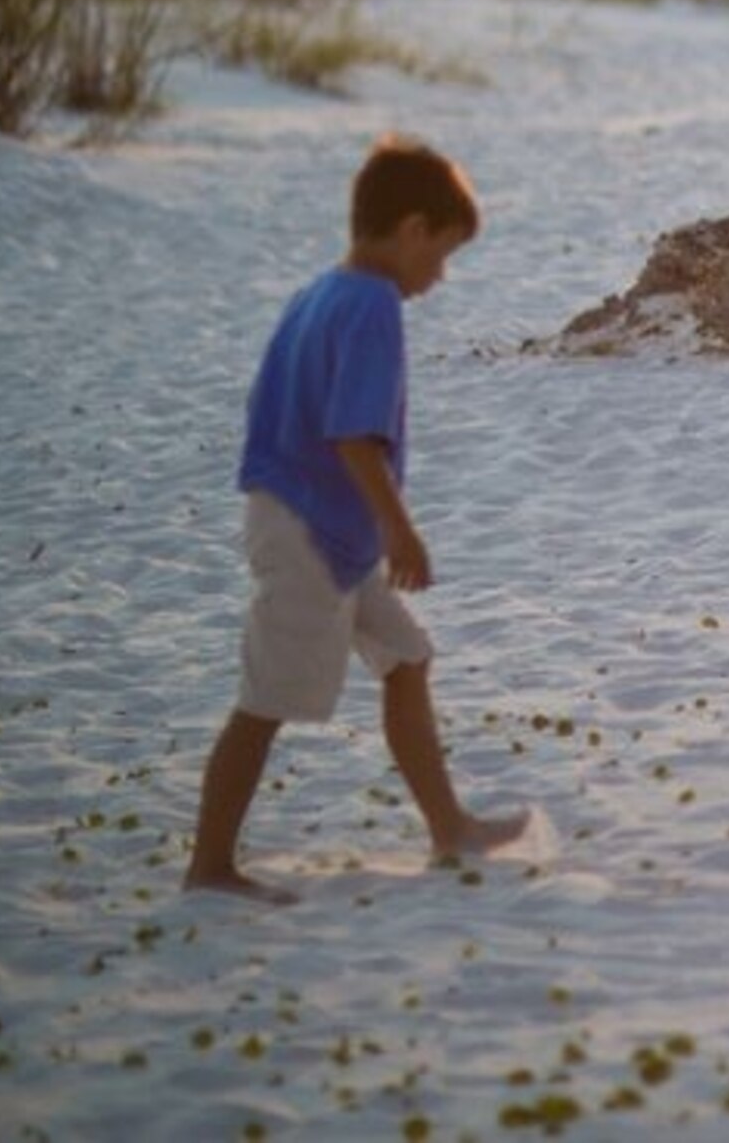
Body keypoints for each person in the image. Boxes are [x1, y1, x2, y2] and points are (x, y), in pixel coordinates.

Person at [184, 136, 527, 903]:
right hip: (313, 530)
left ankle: (450, 829)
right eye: (441, 254)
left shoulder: (321, 291)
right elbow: (351, 433)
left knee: (406, 657)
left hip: (316, 524)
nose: (438, 276)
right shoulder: (372, 306)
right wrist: (399, 528)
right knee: (265, 700)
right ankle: (208, 867)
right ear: (411, 230)